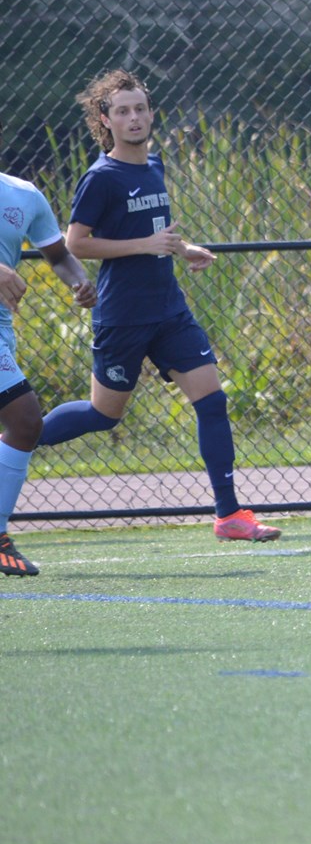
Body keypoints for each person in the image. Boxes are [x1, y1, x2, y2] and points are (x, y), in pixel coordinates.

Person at [36, 70, 280, 542]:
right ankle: (16, 439)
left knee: (212, 402)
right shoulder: (101, 178)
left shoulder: (155, 166)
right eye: (122, 111)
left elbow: (154, 233)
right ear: (105, 120)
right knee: (102, 415)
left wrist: (181, 249)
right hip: (123, 316)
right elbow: (76, 244)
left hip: (169, 311)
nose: (133, 118)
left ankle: (229, 516)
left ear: (151, 114)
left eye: (140, 109)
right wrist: (145, 245)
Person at [0, 160, 97, 576]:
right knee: (25, 420)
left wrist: (78, 279)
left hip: (3, 327)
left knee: (20, 424)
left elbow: (57, 254)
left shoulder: (24, 194)